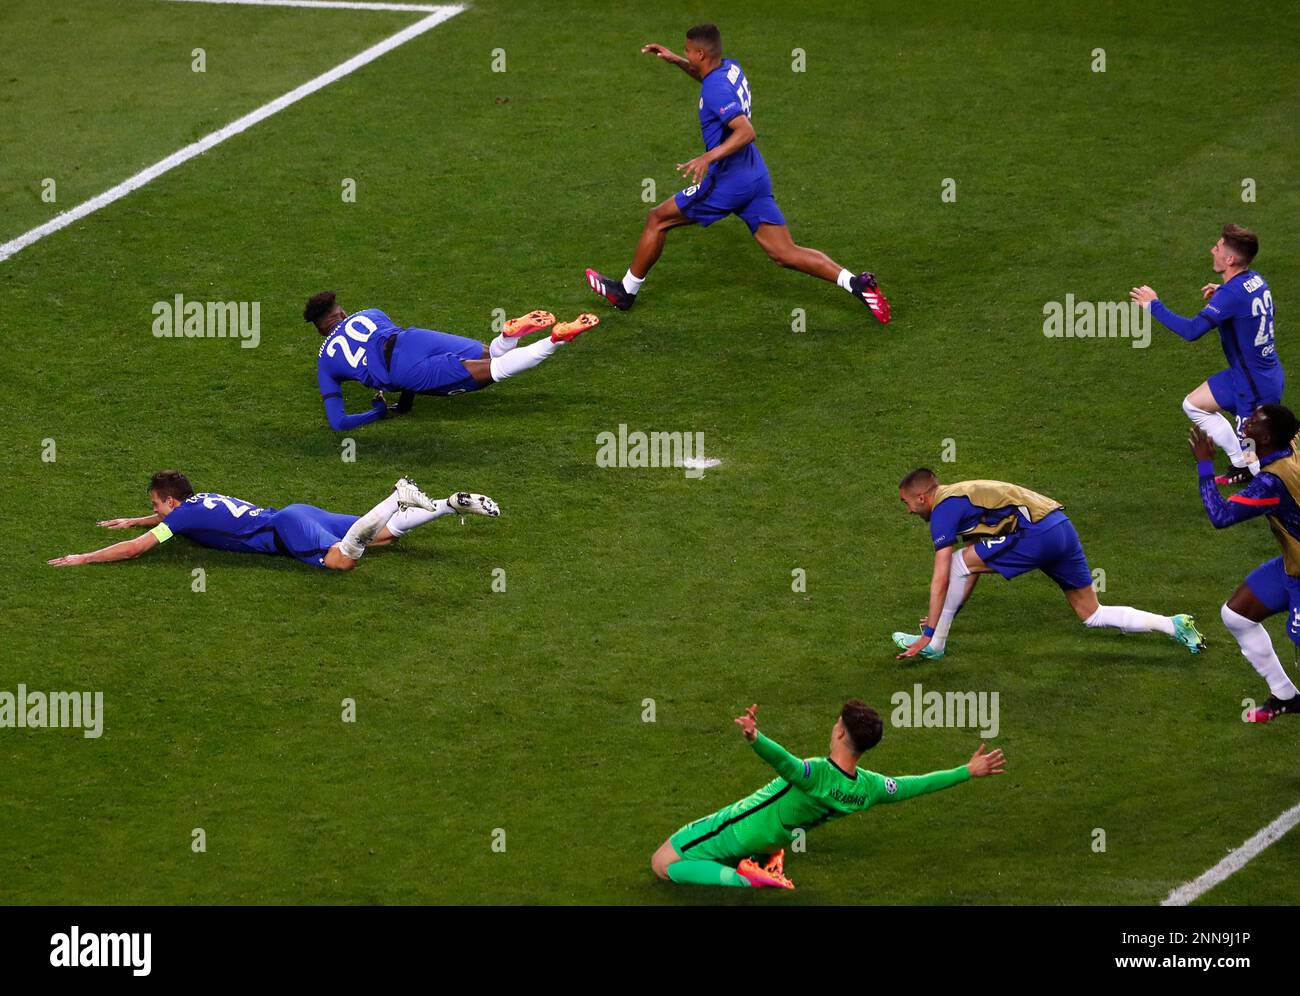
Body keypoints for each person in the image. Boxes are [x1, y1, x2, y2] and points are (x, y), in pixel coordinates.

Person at [584, 23, 890, 322]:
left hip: (727, 182)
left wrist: (708, 156)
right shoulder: (729, 68)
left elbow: (746, 131)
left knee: (657, 218)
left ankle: (626, 292)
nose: (686, 54)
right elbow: (708, 82)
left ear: (701, 53)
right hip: (754, 175)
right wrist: (675, 61)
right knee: (784, 252)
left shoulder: (715, 88)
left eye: (688, 51)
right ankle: (857, 284)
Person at [650, 701, 1004, 889]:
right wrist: (967, 771)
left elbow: (785, 762)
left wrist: (754, 737)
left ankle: (747, 877)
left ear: (839, 732)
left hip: (742, 828)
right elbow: (915, 784)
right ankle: (765, 857)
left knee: (664, 864)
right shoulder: (869, 788)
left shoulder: (816, 773)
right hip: (776, 833)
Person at [892, 470, 1203, 660]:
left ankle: (935, 644)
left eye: (906, 502)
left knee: (958, 563)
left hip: (1036, 534)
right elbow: (974, 560)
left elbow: (943, 577)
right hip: (1061, 526)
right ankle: (1174, 625)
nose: (907, 511)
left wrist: (930, 629)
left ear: (922, 497)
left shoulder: (944, 508)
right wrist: (947, 611)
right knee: (1091, 613)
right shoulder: (961, 498)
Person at [48, 470, 497, 571]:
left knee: (344, 562)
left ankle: (394, 495)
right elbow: (175, 518)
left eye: (154, 505)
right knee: (384, 540)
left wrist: (84, 558)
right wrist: (134, 518)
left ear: (169, 500)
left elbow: (138, 549)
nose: (156, 513)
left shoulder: (178, 519)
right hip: (297, 511)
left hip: (287, 530)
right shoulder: (197, 500)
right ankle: (447, 504)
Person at [305, 292, 598, 430]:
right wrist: (406, 404)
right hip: (414, 339)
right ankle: (508, 337)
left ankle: (555, 340)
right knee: (491, 354)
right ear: (342, 313)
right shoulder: (369, 313)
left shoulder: (324, 363)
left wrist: (377, 412)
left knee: (493, 371)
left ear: (320, 329)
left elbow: (339, 422)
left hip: (403, 370)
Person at [1130, 224, 1280, 485]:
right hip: (1251, 375)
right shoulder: (1255, 280)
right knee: (1193, 404)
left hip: (1254, 387)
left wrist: (1153, 306)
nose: (1213, 249)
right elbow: (1269, 309)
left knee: (1266, 472)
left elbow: (1192, 331)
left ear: (1230, 259)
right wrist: (1223, 299)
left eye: (1218, 247)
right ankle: (1239, 463)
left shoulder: (1231, 295)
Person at [1190, 405, 1300, 722]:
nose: (1247, 420)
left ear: (1265, 437)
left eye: (1255, 421)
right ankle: (1285, 695)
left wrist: (1205, 465)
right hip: (1292, 565)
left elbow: (1220, 516)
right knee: (1237, 615)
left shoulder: (1272, 483)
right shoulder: (1292, 441)